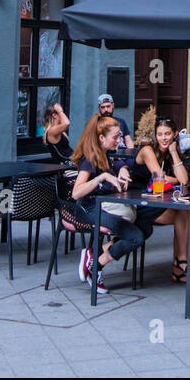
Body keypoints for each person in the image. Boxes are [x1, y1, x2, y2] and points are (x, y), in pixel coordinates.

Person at [70, 116, 134, 295]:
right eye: (115, 137)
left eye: (120, 137)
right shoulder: (89, 159)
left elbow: (121, 163)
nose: (119, 141)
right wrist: (102, 178)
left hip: (104, 206)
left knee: (139, 229)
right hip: (88, 209)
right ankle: (95, 261)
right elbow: (76, 193)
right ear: (101, 138)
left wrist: (123, 169)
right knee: (131, 226)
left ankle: (93, 256)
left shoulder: (107, 155)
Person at [132, 116, 190, 282]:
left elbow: (183, 180)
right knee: (182, 215)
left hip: (157, 203)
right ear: (155, 135)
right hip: (138, 204)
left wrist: (174, 153)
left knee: (184, 213)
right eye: (159, 134)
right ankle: (180, 265)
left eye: (167, 134)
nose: (163, 138)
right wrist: (174, 178)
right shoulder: (148, 151)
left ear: (175, 134)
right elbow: (159, 177)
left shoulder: (170, 153)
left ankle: (180, 263)